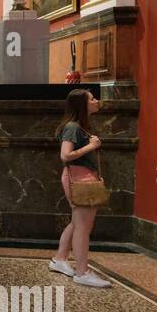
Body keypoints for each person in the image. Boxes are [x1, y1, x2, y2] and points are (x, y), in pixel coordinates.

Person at [49, 89, 112, 288]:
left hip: (82, 176)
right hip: (79, 176)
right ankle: (82, 272)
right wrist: (91, 146)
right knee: (83, 227)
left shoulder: (79, 127)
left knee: (78, 223)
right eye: (92, 99)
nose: (96, 101)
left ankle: (60, 259)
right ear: (82, 105)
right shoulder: (73, 127)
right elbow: (65, 155)